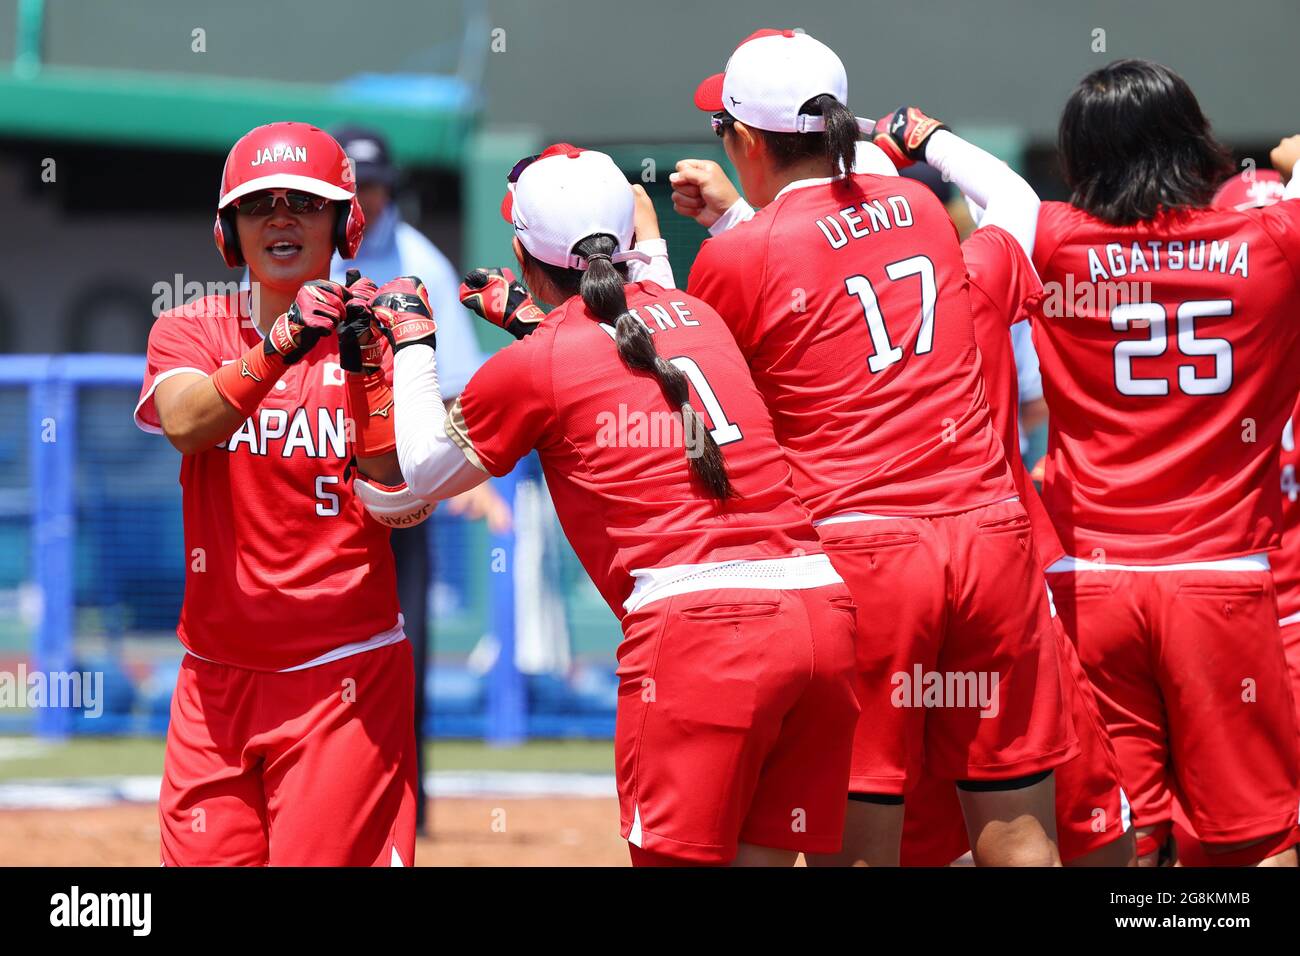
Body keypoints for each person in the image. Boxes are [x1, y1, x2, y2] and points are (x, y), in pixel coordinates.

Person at [380, 143, 861, 866]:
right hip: (820, 614)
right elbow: (633, 345)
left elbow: (418, 471)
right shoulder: (697, 311)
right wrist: (535, 324)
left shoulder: (538, 360)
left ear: (522, 252)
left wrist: (417, 339)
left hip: (703, 630)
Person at [674, 29, 1077, 867]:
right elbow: (998, 216)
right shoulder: (926, 211)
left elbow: (709, 414)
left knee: (860, 837)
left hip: (865, 555)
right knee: (1020, 829)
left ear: (746, 140)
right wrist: (927, 140)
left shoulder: (735, 255)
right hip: (990, 535)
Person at [134, 121, 431, 866]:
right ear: (229, 230)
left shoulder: (381, 333)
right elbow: (187, 423)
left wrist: (382, 369)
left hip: (344, 679)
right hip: (213, 681)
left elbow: (403, 495)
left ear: (345, 220)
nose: (281, 219)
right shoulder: (189, 327)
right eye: (258, 205)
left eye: (304, 201)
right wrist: (280, 344)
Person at [1031, 60, 1300, 866]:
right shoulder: (1271, 242)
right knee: (1255, 839)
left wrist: (929, 138)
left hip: (1094, 584)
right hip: (1224, 579)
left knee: (1122, 834)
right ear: (1193, 138)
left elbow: (996, 200)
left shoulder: (1052, 244)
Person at [330, 126, 509, 834]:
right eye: (354, 187)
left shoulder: (420, 265)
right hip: (312, 488)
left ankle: (406, 804)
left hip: (395, 491)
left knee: (402, 650)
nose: (367, 200)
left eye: (375, 186)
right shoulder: (302, 256)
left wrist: (463, 474)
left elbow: (459, 388)